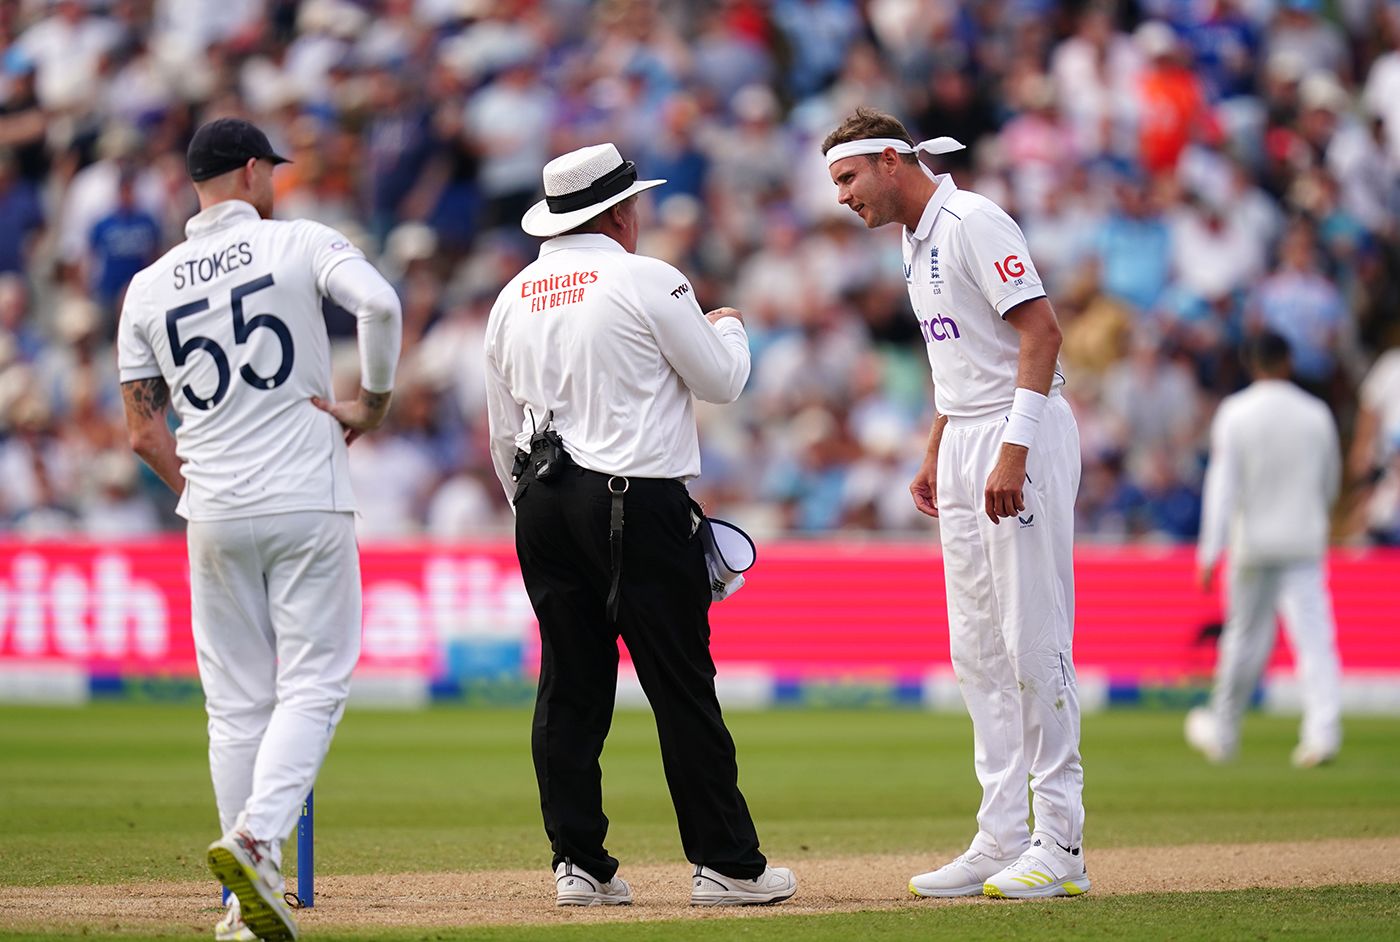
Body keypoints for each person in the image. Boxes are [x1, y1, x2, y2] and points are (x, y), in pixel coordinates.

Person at [484, 142, 796, 908]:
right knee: (680, 683)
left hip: (541, 498)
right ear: (620, 213)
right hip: (632, 496)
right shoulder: (647, 276)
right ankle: (727, 865)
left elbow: (500, 434)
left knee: (568, 685)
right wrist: (729, 327)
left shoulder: (512, 295)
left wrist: (532, 509)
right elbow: (722, 381)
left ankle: (578, 865)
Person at [117, 118, 403, 942]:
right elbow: (380, 304)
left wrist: (202, 488)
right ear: (250, 171)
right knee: (312, 685)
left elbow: (143, 433)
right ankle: (255, 839)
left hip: (211, 510)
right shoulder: (299, 241)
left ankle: (246, 905)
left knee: (234, 706)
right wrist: (371, 404)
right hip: (306, 494)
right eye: (270, 169)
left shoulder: (147, 287)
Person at [823, 107, 1089, 900]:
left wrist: (1013, 447)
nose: (842, 197)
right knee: (977, 646)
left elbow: (1042, 334)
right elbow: (958, 357)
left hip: (1019, 431)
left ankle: (1061, 843)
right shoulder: (914, 240)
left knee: (1032, 638)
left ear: (892, 161)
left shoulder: (974, 221)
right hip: (969, 434)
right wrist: (938, 447)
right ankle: (1000, 836)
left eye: (848, 177)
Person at [1188, 330, 1342, 768]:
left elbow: (1222, 486)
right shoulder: (1316, 413)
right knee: (1315, 640)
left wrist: (1210, 551)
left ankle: (1224, 732)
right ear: (1288, 362)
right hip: (1302, 542)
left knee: (1243, 640)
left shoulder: (1236, 412)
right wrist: (1314, 517)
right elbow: (1330, 481)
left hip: (1253, 545)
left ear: (1252, 364)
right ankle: (1322, 734)